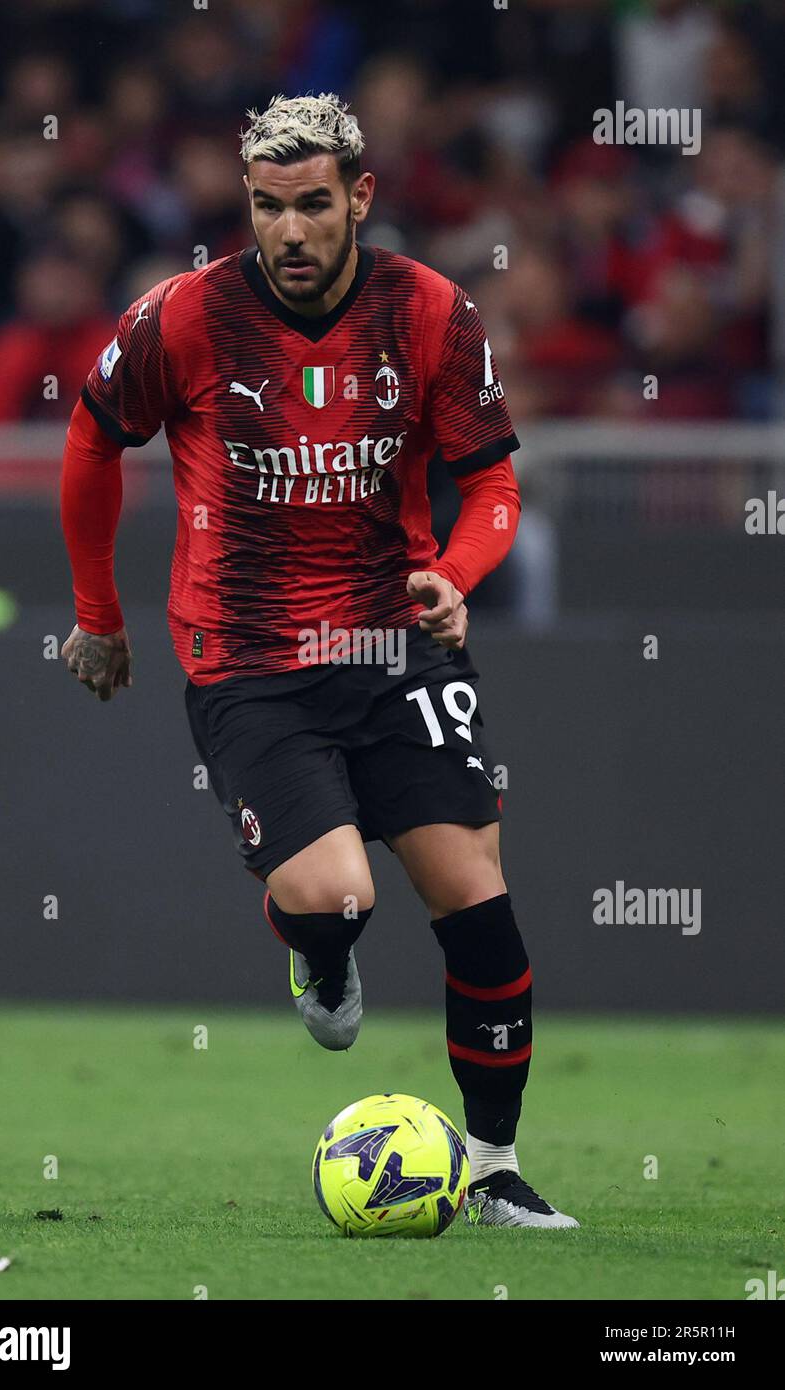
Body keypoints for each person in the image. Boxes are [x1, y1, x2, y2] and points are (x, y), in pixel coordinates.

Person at [60, 92, 577, 1229]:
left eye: (308, 206)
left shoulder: (430, 312)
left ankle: (491, 1167)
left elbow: (491, 484)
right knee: (335, 893)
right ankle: (318, 947)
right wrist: (101, 616)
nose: (286, 231)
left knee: (475, 899)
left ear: (358, 198)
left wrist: (454, 574)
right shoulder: (185, 318)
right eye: (262, 207)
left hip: (393, 642)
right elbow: (93, 435)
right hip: (247, 657)